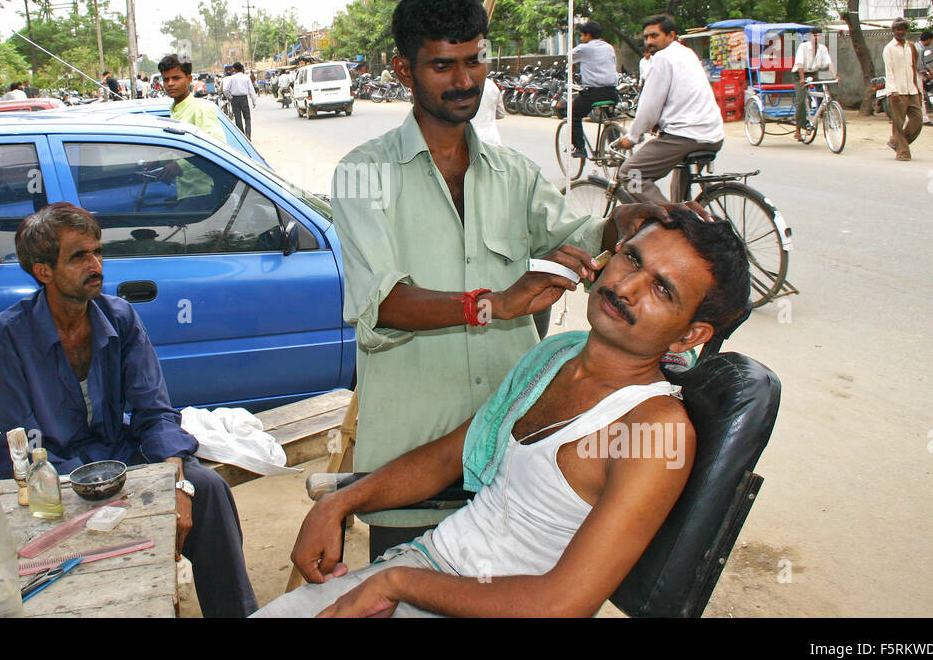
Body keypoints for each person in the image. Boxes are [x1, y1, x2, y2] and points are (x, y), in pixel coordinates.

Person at [331, 0, 701, 559]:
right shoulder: (363, 173)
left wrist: (620, 225)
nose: (464, 80)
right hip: (411, 452)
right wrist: (496, 303)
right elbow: (385, 303)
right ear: (404, 71)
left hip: (512, 454)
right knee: (400, 592)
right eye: (443, 66)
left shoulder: (513, 173)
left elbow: (574, 239)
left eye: (475, 59)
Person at [255, 209, 751, 617]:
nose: (626, 288)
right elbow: (450, 455)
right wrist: (337, 504)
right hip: (423, 568)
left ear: (690, 336)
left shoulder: (653, 429)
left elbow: (560, 605)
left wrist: (396, 583)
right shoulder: (556, 355)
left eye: (662, 290)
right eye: (631, 259)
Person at [0, 203, 257, 617]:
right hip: (55, 475)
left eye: (97, 252)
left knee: (209, 491)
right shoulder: (9, 335)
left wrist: (177, 487)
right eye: (79, 257)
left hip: (119, 455)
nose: (96, 265)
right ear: (44, 271)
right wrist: (73, 494)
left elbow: (155, 413)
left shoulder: (121, 317)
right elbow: (17, 443)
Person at [616, 15, 725, 203]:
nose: (649, 41)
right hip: (713, 135)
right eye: (646, 37)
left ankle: (671, 220)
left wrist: (633, 137)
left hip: (686, 136)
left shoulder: (662, 59)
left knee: (630, 173)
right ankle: (686, 216)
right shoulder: (687, 53)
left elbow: (649, 107)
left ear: (671, 35)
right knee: (679, 180)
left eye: (654, 36)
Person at [568, 20, 619, 158]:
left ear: (588, 35)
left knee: (573, 115)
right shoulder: (609, 47)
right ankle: (616, 147)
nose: (582, 39)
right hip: (612, 92)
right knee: (610, 116)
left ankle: (579, 148)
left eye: (582, 36)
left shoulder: (585, 48)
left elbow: (569, 57)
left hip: (593, 93)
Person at [158, 54, 226, 144]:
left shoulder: (200, 110)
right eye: (166, 79)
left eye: (176, 78)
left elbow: (218, 148)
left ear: (189, 79)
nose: (170, 83)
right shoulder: (175, 110)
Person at [882, 19, 922, 161]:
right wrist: (893, 91)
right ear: (893, 31)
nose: (901, 32)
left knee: (918, 120)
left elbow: (914, 67)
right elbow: (889, 71)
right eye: (898, 29)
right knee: (898, 124)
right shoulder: (889, 48)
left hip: (911, 90)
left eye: (903, 29)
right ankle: (903, 153)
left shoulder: (910, 47)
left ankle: (895, 142)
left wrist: (917, 88)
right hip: (897, 92)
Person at [792, 28, 832, 142]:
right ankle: (798, 130)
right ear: (810, 36)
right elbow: (799, 63)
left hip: (813, 73)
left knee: (828, 92)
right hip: (799, 74)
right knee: (801, 100)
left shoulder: (823, 48)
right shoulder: (803, 47)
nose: (816, 37)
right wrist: (802, 78)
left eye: (818, 35)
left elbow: (829, 62)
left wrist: (835, 75)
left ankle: (827, 111)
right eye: (814, 35)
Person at [222, 61, 257, 139]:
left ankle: (242, 137)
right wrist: (254, 101)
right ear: (241, 68)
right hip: (244, 99)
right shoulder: (246, 77)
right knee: (247, 117)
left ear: (234, 69)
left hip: (235, 99)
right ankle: (248, 134)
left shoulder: (232, 78)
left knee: (238, 118)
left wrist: (230, 97)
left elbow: (225, 90)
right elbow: (251, 90)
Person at [472, 75, 506, 145]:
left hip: (471, 141)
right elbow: (500, 114)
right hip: (492, 140)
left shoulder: (462, 85)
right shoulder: (492, 85)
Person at [917, 31, 933, 125]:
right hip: (916, 75)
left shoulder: (918, 46)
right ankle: (924, 119)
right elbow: (919, 65)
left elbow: (922, 62)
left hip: (914, 74)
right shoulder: (920, 49)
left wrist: (929, 70)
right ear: (928, 39)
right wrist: (926, 74)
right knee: (920, 96)